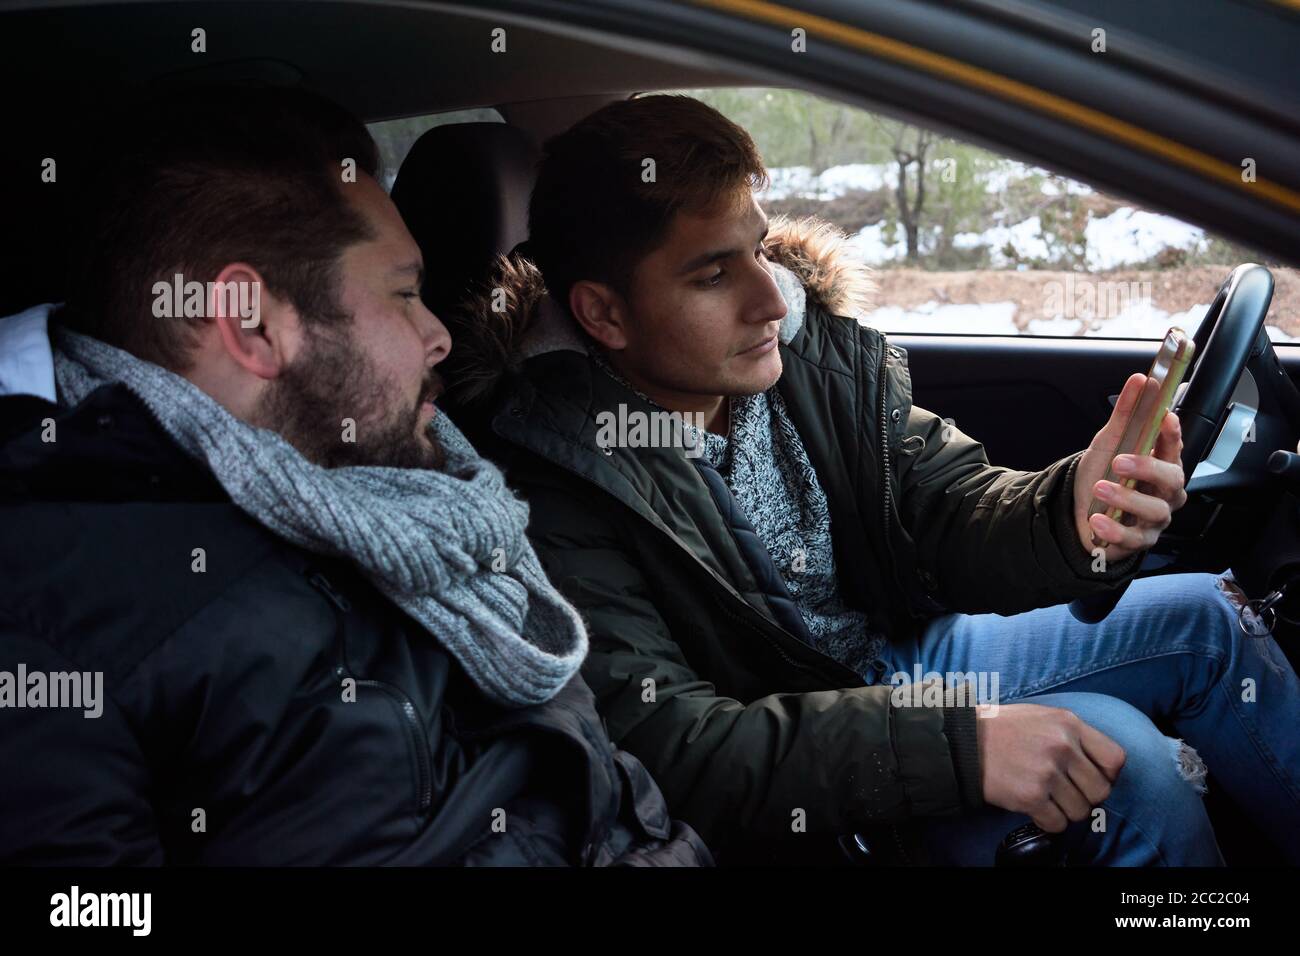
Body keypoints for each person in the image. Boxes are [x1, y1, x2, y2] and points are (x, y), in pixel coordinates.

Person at [439, 94, 1300, 865]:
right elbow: (670, 745)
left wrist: (1069, 508)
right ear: (602, 313)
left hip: (892, 654)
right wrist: (955, 745)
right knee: (1127, 770)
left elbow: (942, 505)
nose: (770, 298)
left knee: (1208, 618)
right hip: (810, 743)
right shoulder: (551, 485)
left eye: (757, 249)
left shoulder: (802, 362)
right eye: (712, 274)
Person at [0, 86, 710, 867]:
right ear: (251, 324)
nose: (438, 334)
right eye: (405, 294)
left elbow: (601, 796)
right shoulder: (51, 619)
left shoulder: (409, 498)